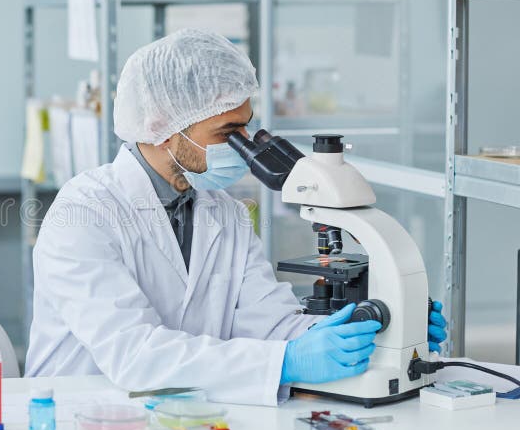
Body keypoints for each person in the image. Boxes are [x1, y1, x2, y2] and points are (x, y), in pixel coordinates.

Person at [25, 29, 447, 405]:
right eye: (228, 134)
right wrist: (288, 362)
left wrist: (378, 329)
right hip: (81, 420)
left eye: (246, 128)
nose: (244, 146)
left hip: (183, 420)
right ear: (162, 125)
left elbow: (271, 324)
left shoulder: (223, 211)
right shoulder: (83, 214)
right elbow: (135, 354)